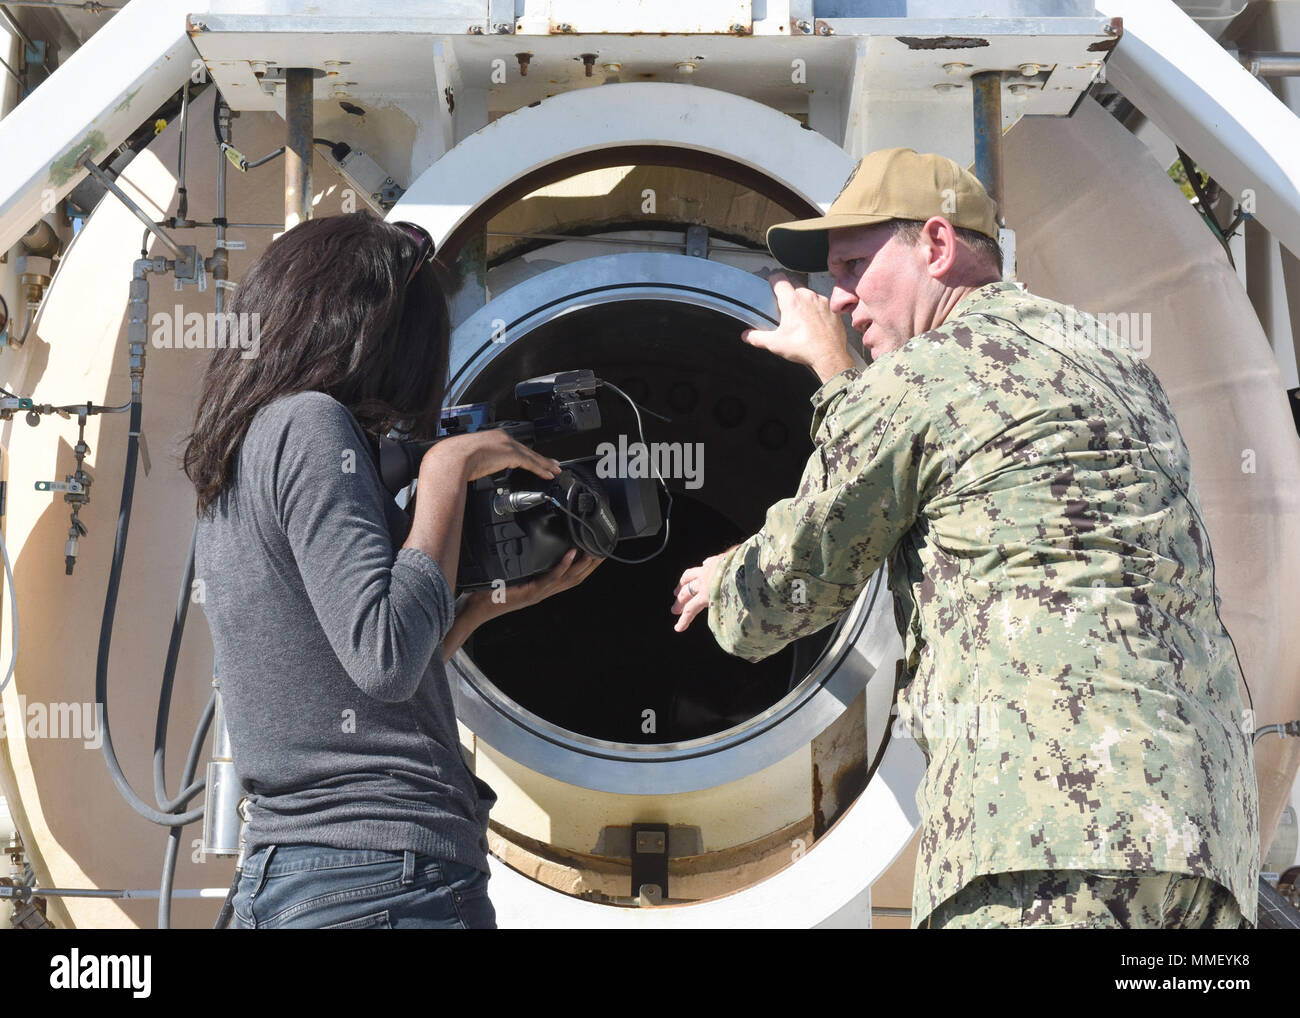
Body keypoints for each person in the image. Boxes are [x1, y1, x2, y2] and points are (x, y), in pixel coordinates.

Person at [670, 147, 1259, 929]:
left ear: (938, 247)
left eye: (852, 264)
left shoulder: (924, 377)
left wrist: (723, 579)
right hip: (1204, 851)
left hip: (1044, 846)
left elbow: (778, 599)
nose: (839, 300)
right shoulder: (1114, 361)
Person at [185, 212, 601, 928]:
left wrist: (476, 610)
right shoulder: (312, 425)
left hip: (298, 876)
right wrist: (448, 469)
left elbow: (344, 679)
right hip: (384, 880)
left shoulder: (239, 449)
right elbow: (385, 658)